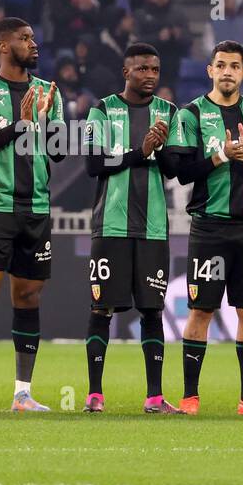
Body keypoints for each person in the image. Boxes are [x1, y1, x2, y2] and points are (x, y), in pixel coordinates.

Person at [168, 41, 243, 416]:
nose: (228, 72)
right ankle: (190, 397)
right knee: (201, 311)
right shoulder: (192, 114)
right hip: (209, 227)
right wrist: (221, 156)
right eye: (221, 65)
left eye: (235, 66)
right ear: (210, 70)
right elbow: (183, 173)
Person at [0, 18, 63, 412]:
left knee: (29, 295)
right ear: (3, 45)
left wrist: (48, 121)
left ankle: (23, 393)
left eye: (34, 37)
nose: (33, 44)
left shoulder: (48, 91)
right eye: (24, 38)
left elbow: (58, 153)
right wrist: (21, 123)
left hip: (36, 208)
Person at [81, 42, 182, 413]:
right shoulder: (103, 110)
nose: (150, 76)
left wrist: (163, 147)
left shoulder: (169, 112)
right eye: (142, 69)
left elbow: (176, 171)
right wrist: (140, 151)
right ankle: (95, 394)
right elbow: (93, 164)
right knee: (101, 308)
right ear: (126, 72)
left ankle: (154, 397)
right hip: (111, 225)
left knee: (153, 311)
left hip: (153, 227)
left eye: (155, 69)